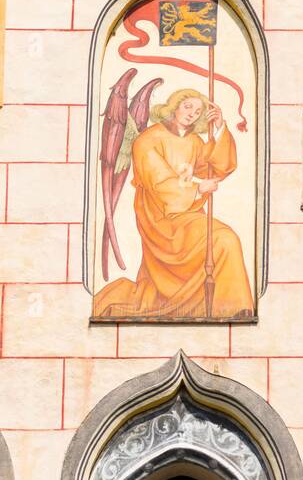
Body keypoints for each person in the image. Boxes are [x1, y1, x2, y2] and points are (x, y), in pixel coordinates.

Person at [94, 87, 254, 320]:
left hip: (188, 212)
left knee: (225, 239)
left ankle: (232, 307)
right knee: (223, 238)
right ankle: (225, 307)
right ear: (174, 106)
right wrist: (197, 188)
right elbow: (159, 183)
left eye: (198, 111)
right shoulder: (147, 140)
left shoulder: (194, 141)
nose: (192, 114)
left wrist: (219, 128)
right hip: (160, 218)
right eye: (187, 106)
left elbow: (216, 167)